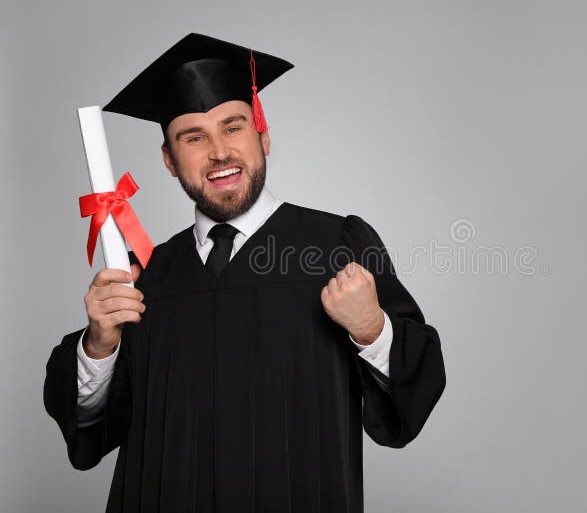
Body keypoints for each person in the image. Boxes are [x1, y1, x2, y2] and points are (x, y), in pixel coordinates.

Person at [43, 32, 446, 513]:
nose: (218, 152)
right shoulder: (142, 274)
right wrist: (99, 347)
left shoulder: (338, 246)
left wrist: (371, 328)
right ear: (170, 160)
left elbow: (416, 391)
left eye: (232, 127)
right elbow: (92, 428)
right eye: (193, 137)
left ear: (263, 135)